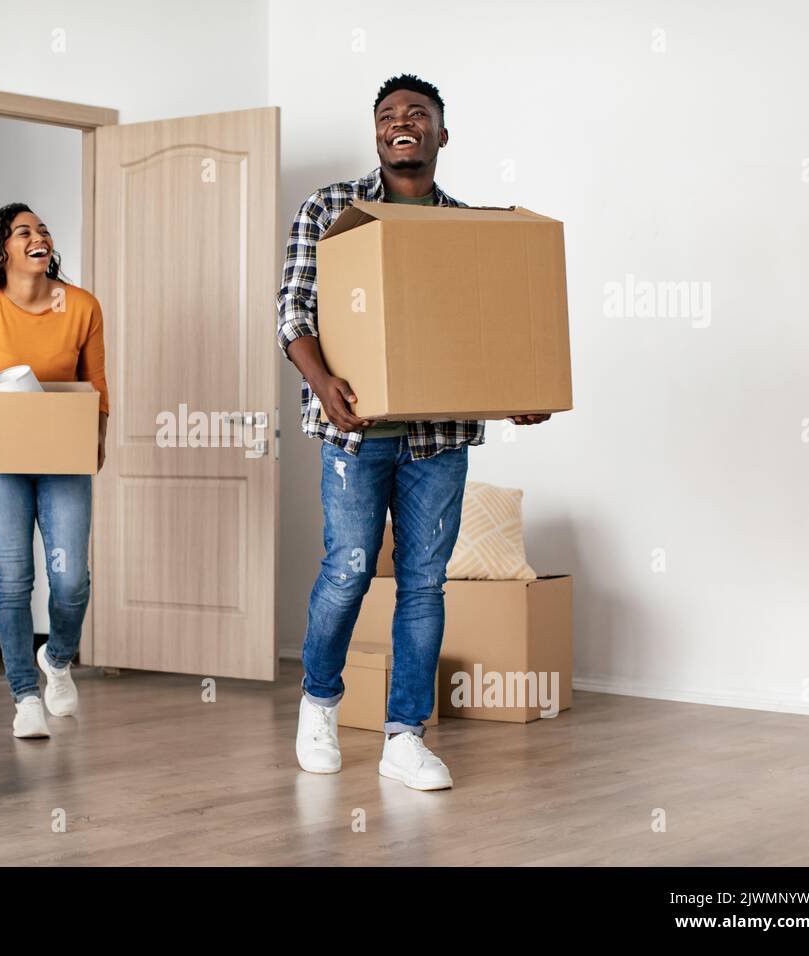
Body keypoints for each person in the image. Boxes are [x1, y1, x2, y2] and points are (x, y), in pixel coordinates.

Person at [276, 74, 552, 790]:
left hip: (438, 439)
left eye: (418, 114)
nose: (403, 123)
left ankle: (405, 736)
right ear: (377, 134)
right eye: (390, 115)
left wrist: (518, 390)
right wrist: (321, 383)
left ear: (440, 134)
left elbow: (484, 335)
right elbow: (294, 314)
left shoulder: (464, 228)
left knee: (424, 586)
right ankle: (320, 703)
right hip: (355, 432)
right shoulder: (333, 209)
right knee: (347, 570)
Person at [0, 202, 109, 739]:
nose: (38, 236)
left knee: (70, 580)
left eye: (42, 229)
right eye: (24, 231)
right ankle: (24, 697)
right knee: (14, 580)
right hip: (1, 462)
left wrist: (99, 437)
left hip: (63, 459)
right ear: (3, 250)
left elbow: (96, 384)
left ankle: (57, 659)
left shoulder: (81, 306)